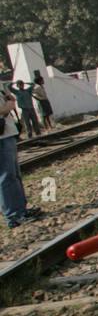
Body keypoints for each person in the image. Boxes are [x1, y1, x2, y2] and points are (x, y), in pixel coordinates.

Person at [0, 83, 41, 228]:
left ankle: (21, 210)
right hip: (2, 138)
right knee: (6, 177)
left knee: (14, 175)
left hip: (7, 134)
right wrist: (9, 105)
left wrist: (8, 99)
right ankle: (13, 215)